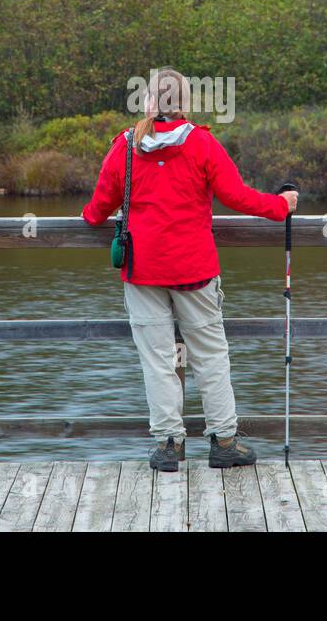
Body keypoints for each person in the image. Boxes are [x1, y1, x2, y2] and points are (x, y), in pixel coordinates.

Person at [81, 68, 297, 472]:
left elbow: (97, 210)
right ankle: (225, 442)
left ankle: (168, 446)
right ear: (184, 101)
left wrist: (88, 215)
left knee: (158, 361)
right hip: (195, 270)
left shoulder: (125, 147)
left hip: (142, 271)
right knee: (211, 358)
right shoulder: (202, 144)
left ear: (147, 101)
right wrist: (281, 204)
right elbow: (238, 197)